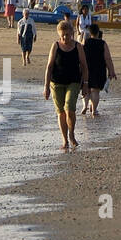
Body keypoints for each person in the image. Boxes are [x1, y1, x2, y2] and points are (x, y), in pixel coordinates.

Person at [43, 20, 88, 150]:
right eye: (62, 35)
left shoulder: (78, 46)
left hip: (73, 82)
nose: (65, 38)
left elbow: (84, 67)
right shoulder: (55, 46)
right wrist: (46, 87)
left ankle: (72, 135)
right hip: (56, 83)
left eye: (67, 35)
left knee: (70, 109)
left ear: (72, 34)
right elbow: (49, 67)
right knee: (61, 112)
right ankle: (64, 140)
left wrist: (85, 84)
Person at [81, 23, 117, 116]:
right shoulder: (102, 43)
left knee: (87, 89)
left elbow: (81, 56)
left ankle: (85, 106)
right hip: (99, 69)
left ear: (89, 32)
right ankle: (94, 110)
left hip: (87, 69)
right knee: (95, 91)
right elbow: (108, 58)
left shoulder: (86, 42)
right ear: (98, 32)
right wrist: (111, 71)